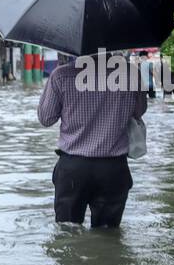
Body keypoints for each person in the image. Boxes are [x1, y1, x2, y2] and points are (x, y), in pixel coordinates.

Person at [38, 55, 148, 228]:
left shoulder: (61, 75)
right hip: (113, 169)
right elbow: (139, 111)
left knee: (67, 234)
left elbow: (46, 118)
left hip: (73, 169)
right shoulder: (131, 74)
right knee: (108, 237)